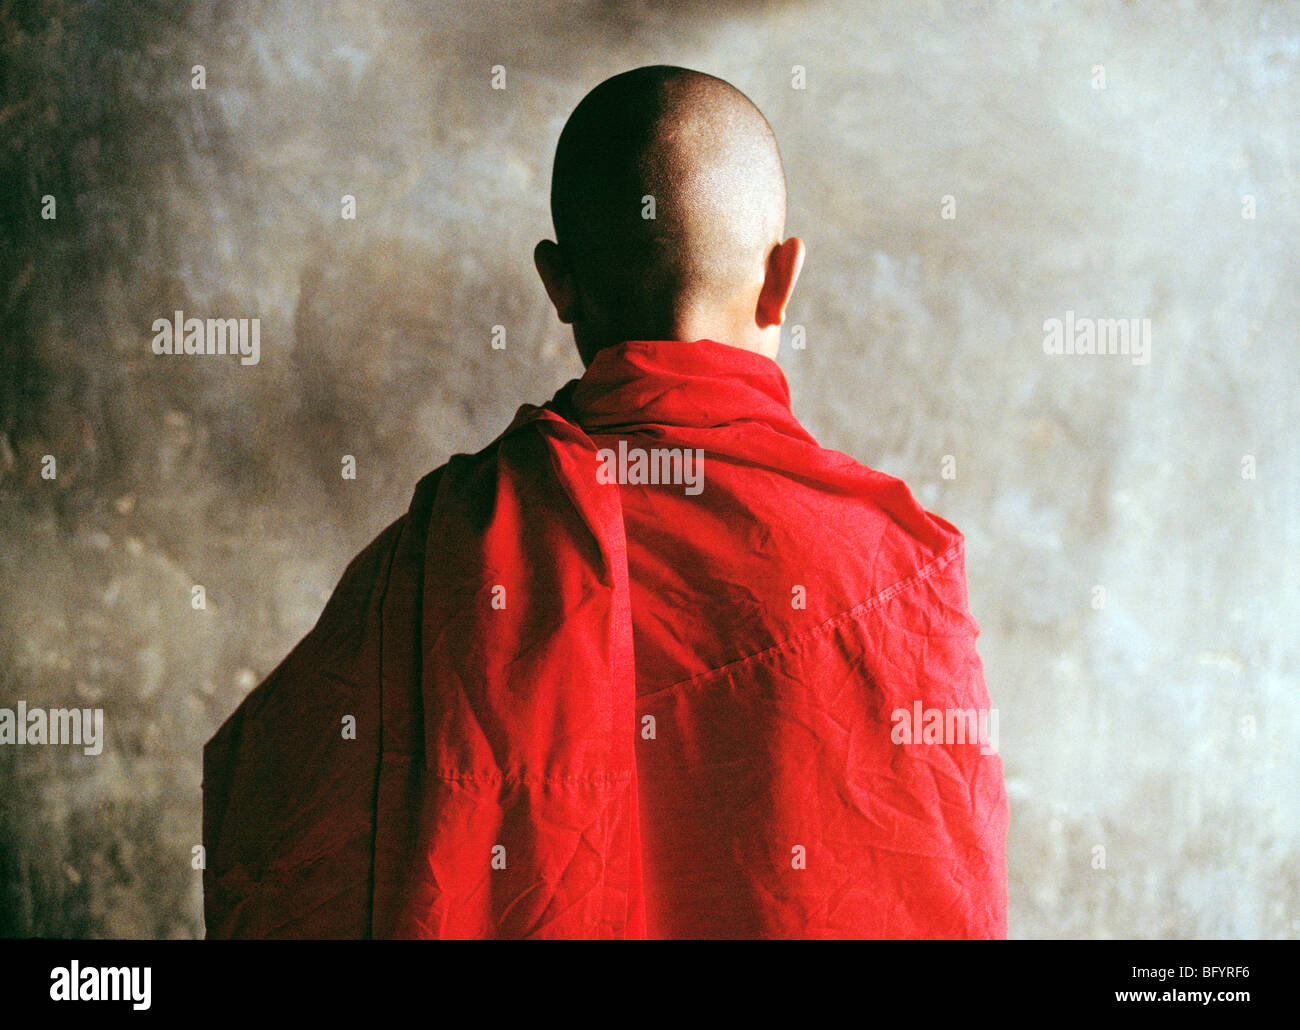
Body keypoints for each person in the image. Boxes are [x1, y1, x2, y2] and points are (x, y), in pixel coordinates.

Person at [203, 65, 1008, 939]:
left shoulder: (446, 553)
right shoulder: (897, 568)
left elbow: (277, 831)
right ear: (783, 279)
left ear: (558, 283)